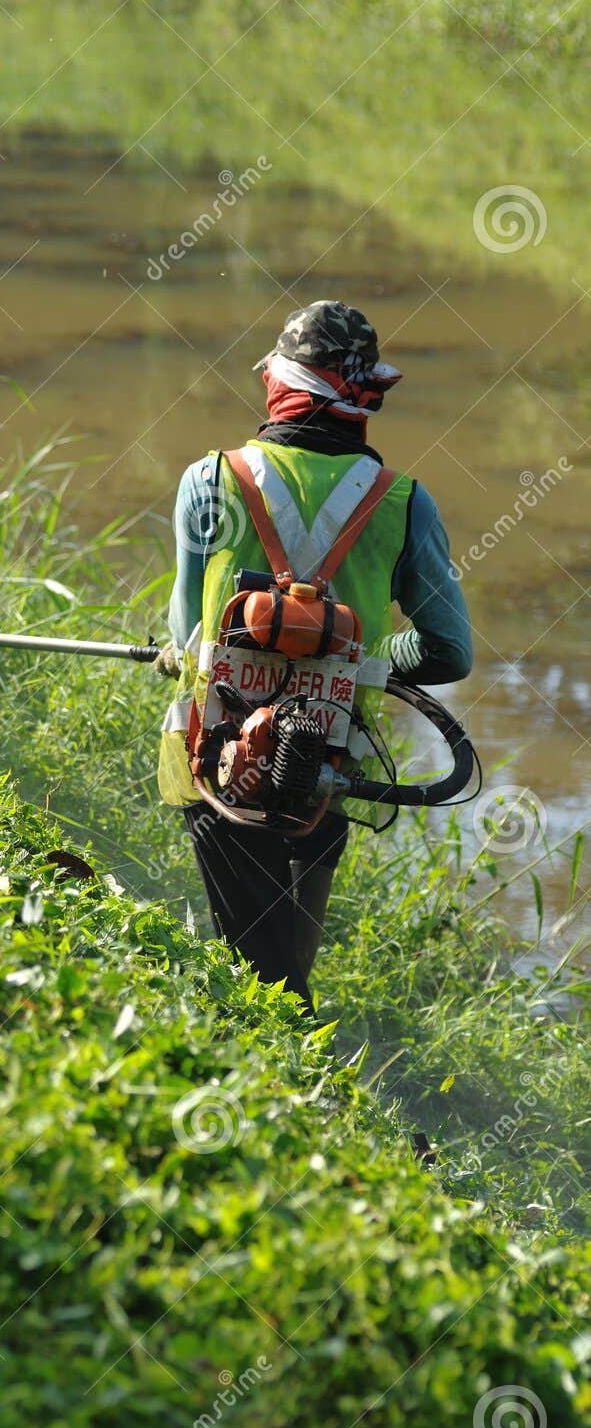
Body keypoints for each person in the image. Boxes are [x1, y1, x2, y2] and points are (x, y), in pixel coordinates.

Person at [156, 300, 472, 1013]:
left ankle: (274, 1068)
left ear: (280, 385)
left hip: (216, 752)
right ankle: (295, 1063)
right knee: (285, 946)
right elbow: (447, 650)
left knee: (255, 968)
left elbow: (183, 631)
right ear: (359, 404)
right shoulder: (403, 504)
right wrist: (359, 659)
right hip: (329, 757)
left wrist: (183, 652)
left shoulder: (210, 480)